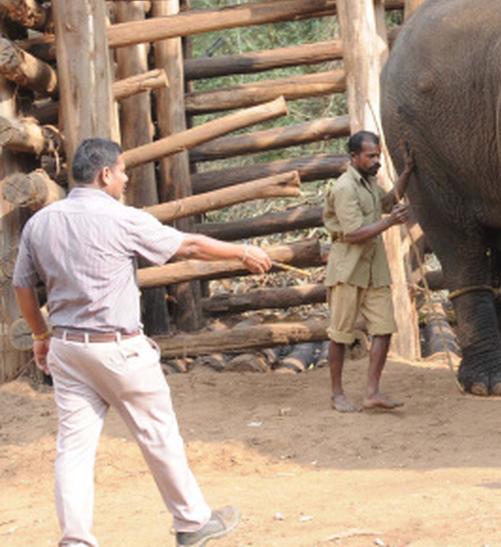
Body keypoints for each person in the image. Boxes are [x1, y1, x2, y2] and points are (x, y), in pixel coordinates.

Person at [12, 138, 273, 547]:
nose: (125, 179)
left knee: (73, 449)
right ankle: (191, 522)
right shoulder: (122, 219)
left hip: (67, 347)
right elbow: (187, 244)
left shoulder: (41, 222)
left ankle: (76, 539)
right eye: (122, 172)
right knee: (158, 434)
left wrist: (40, 335)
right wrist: (240, 252)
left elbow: (22, 287)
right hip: (118, 349)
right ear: (104, 175)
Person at [323, 130, 413, 413]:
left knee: (384, 328)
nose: (377, 161)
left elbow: (387, 201)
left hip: (374, 268)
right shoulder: (344, 188)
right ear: (354, 157)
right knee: (340, 334)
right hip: (348, 270)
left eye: (378, 156)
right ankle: (337, 394)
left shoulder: (369, 183)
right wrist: (390, 223)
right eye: (371, 156)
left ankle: (372, 392)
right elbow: (352, 234)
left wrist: (408, 171)